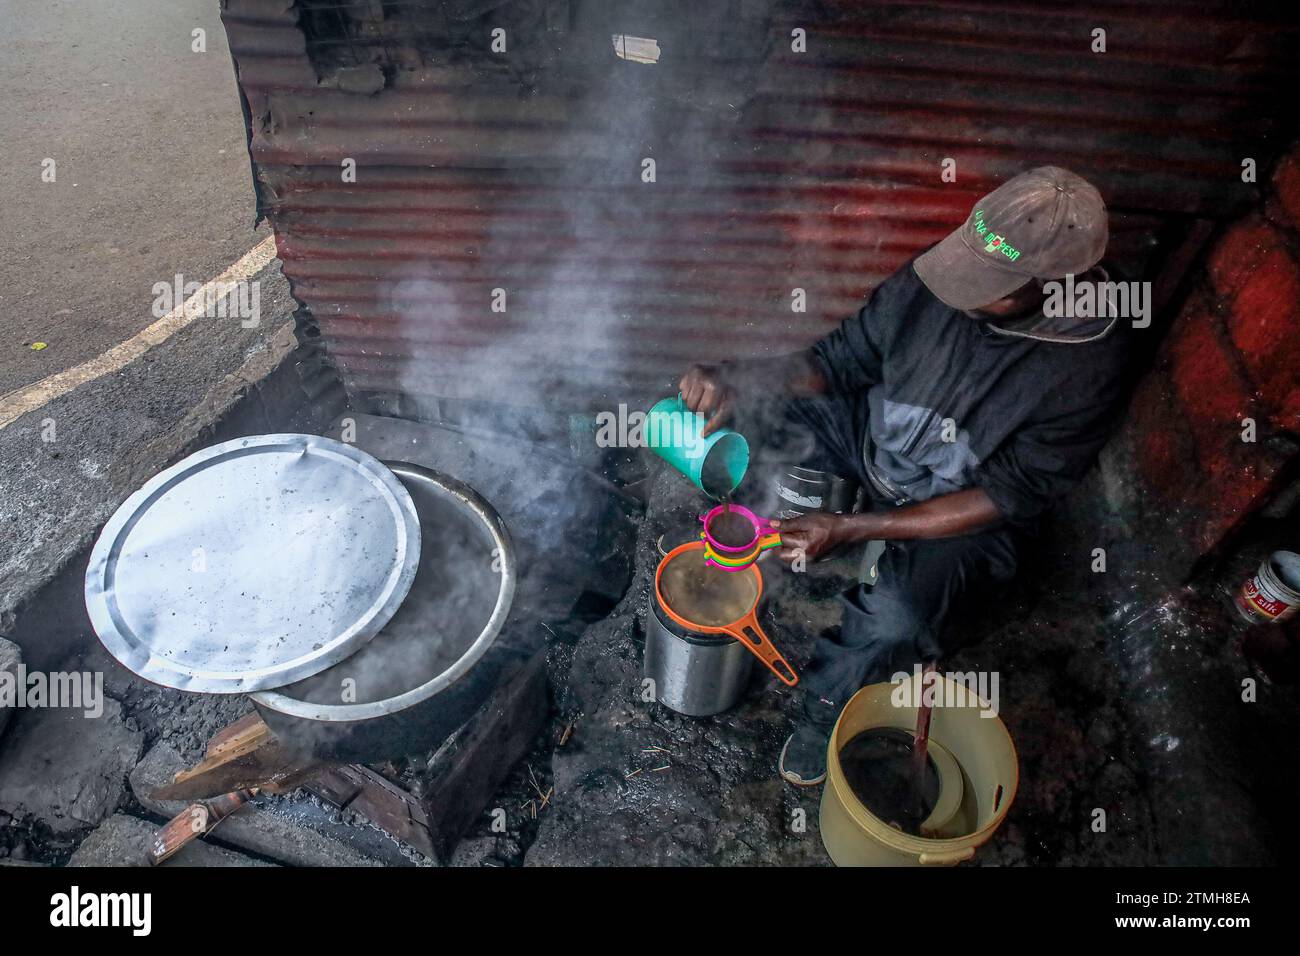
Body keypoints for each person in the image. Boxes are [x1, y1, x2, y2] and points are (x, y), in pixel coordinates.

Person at [677, 166, 1131, 786]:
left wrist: (854, 526)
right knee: (753, 409)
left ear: (1056, 286)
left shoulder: (1091, 363)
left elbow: (1010, 493)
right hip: (870, 441)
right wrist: (738, 374)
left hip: (960, 508)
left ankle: (824, 710)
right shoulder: (940, 279)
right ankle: (794, 528)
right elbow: (840, 361)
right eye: (965, 266)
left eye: (988, 286)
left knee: (899, 616)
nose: (958, 292)